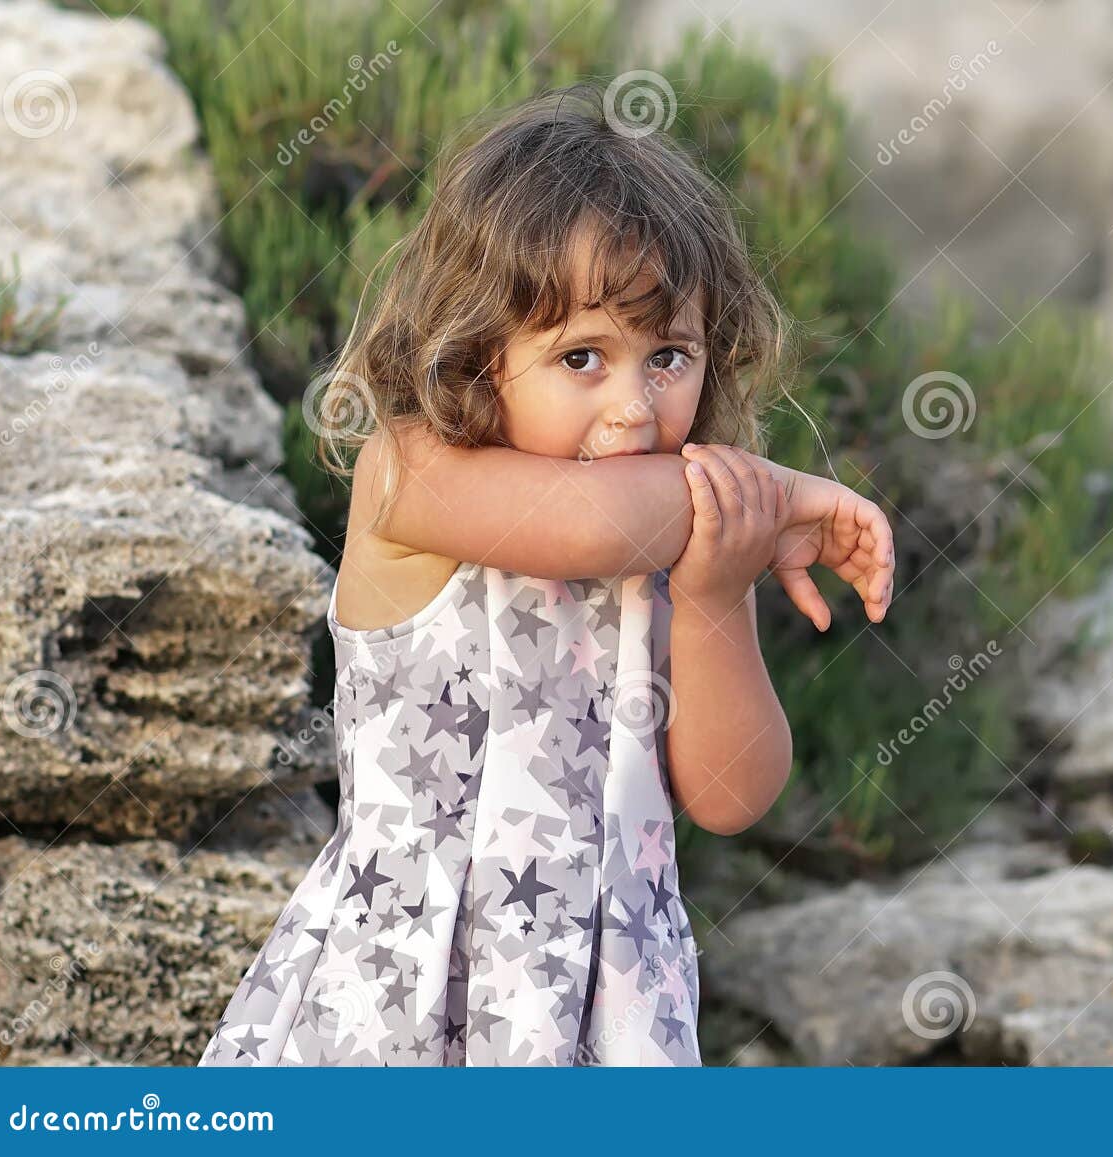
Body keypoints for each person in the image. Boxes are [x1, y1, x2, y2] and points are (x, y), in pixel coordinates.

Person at [199, 82, 895, 1067]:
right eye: (581, 357)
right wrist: (777, 492)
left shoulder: (684, 537)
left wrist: (710, 594)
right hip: (399, 989)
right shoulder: (410, 473)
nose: (633, 407)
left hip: (606, 1011)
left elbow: (734, 794)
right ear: (480, 356)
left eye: (668, 356)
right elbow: (592, 525)